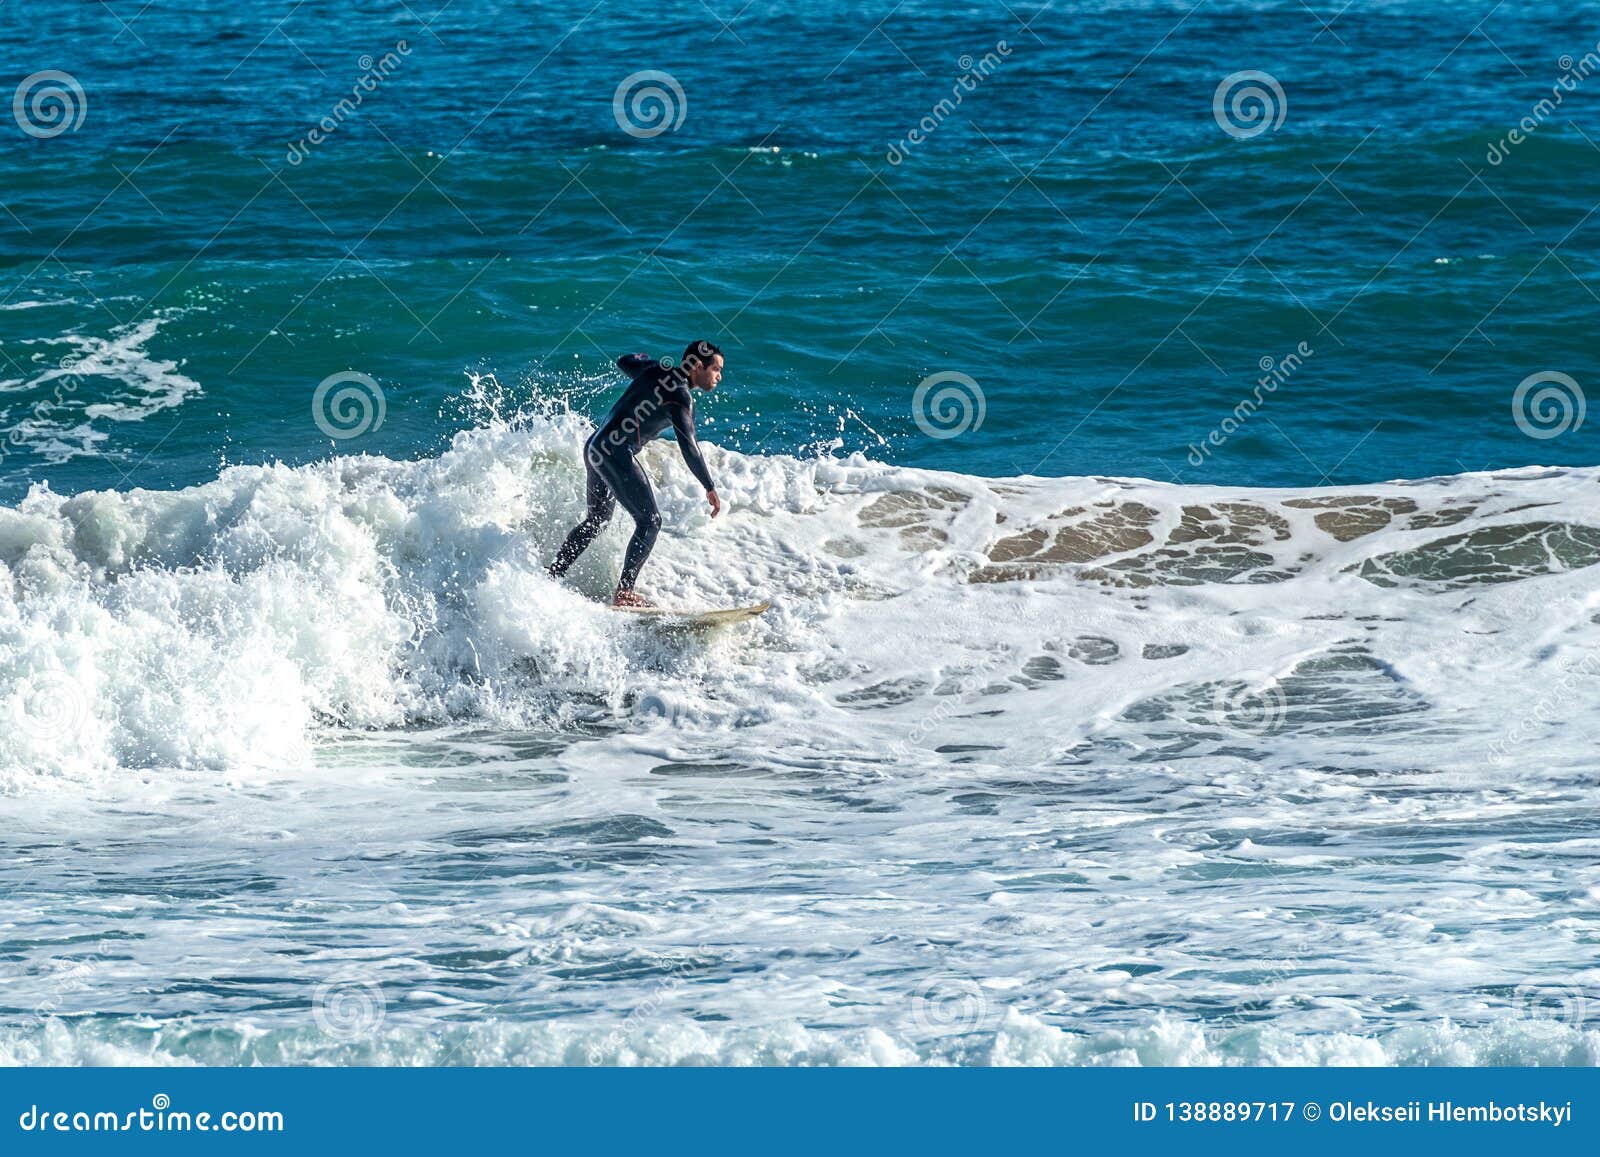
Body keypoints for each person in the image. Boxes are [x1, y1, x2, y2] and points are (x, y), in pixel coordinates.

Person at [547, 340, 724, 606]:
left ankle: (553, 574)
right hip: (615, 453)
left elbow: (625, 360)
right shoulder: (681, 397)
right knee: (650, 521)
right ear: (698, 366)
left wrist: (644, 358)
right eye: (716, 369)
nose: (719, 376)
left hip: (595, 446)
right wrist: (709, 485)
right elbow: (690, 447)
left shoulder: (654, 370)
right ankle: (624, 592)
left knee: (597, 520)